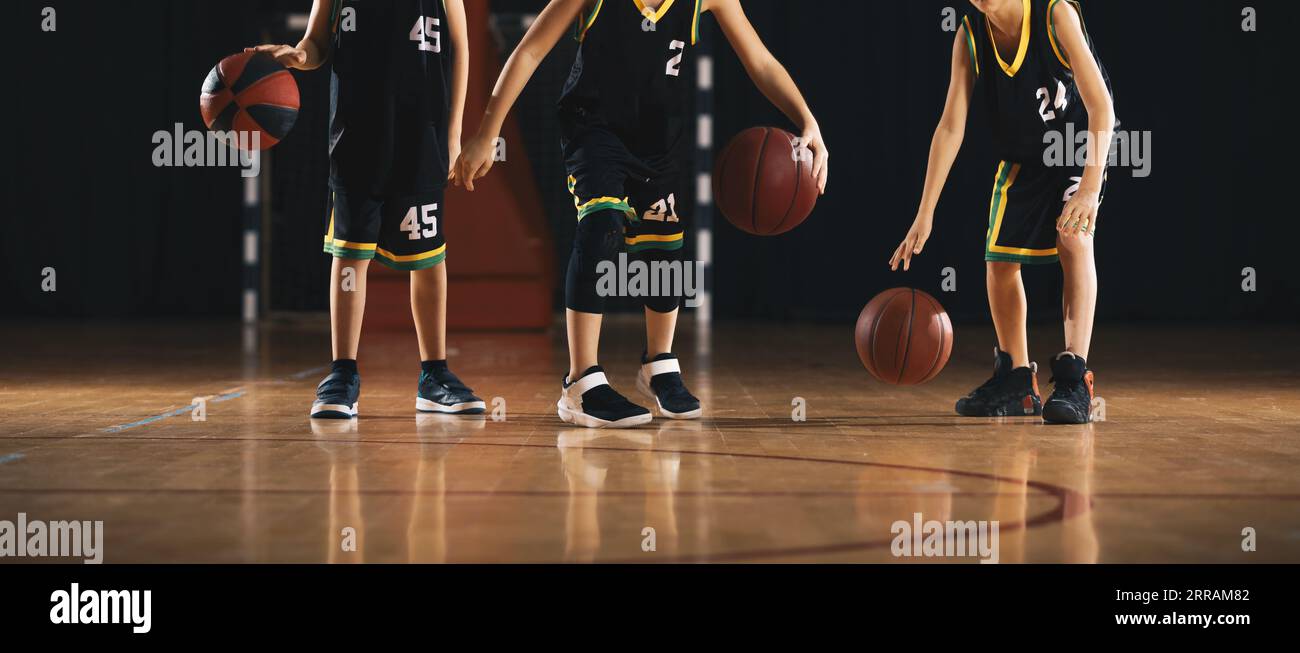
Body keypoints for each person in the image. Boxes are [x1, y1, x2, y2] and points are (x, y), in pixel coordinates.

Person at [452, 0, 829, 428]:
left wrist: (807, 120)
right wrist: (487, 132)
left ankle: (659, 365)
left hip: (657, 139)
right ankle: (580, 382)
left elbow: (759, 60)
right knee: (601, 228)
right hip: (592, 131)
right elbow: (530, 51)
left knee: (664, 249)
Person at [249, 0, 486, 419]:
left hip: (422, 132)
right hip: (356, 137)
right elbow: (316, 44)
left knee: (428, 256)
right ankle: (342, 375)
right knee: (349, 255)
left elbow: (461, 48)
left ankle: (434, 375)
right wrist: (297, 56)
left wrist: (454, 134)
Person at [890, 0, 1114, 424]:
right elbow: (951, 126)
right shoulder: (970, 34)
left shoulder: (1054, 14)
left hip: (1079, 147)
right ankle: (1017, 381)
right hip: (1024, 159)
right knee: (1000, 262)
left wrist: (1088, 188)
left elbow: (1101, 106)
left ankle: (1073, 375)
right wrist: (926, 212)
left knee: (1073, 236)